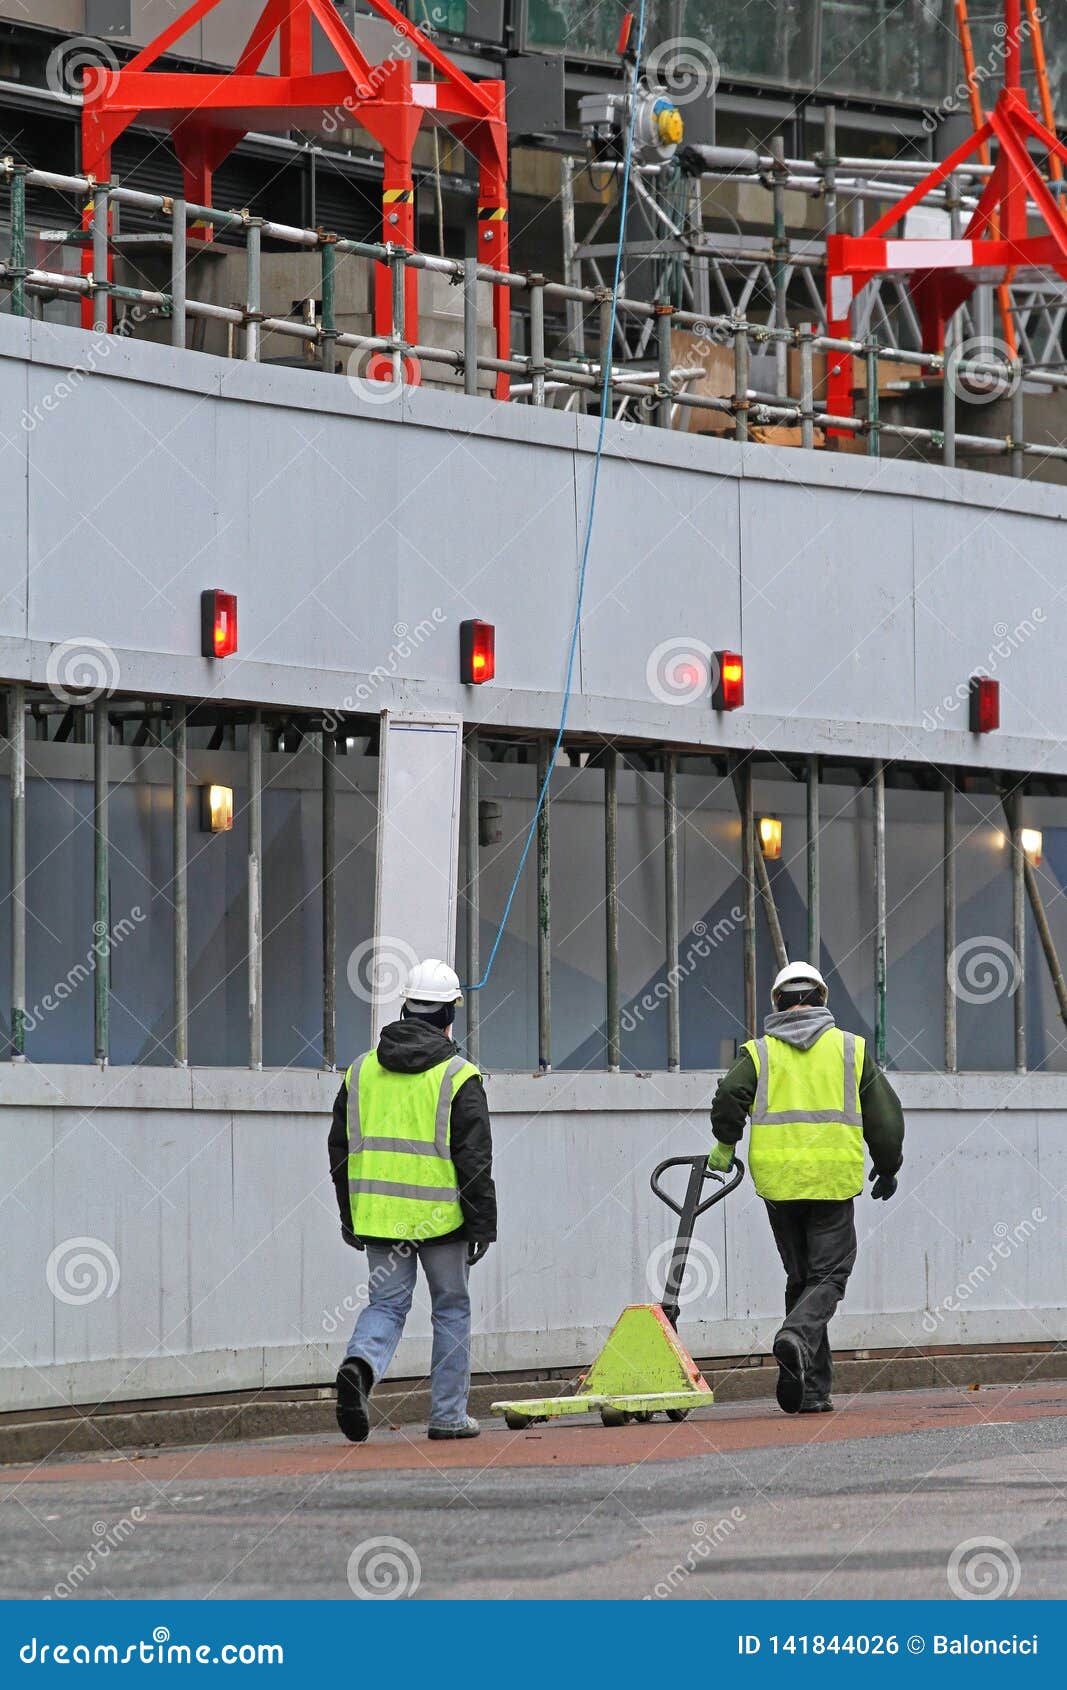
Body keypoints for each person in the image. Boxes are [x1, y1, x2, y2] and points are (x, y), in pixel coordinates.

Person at [707, 961, 904, 1415]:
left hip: (779, 1186)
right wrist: (888, 1165)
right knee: (830, 1276)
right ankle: (794, 1338)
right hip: (832, 1182)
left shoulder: (758, 1053)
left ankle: (813, 1390)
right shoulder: (851, 1050)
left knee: (802, 1280)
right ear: (821, 999)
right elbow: (886, 1119)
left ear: (777, 1003)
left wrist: (724, 1144)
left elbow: (728, 1096)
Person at [328, 958, 496, 1443]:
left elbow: (339, 1150)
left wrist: (350, 1216)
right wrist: (482, 1226)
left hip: (379, 1217)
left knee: (386, 1305)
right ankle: (447, 1417)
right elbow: (475, 1161)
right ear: (450, 1016)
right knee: (450, 1308)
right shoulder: (460, 1076)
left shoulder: (360, 1072)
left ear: (404, 1009)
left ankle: (359, 1367)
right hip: (443, 1220)